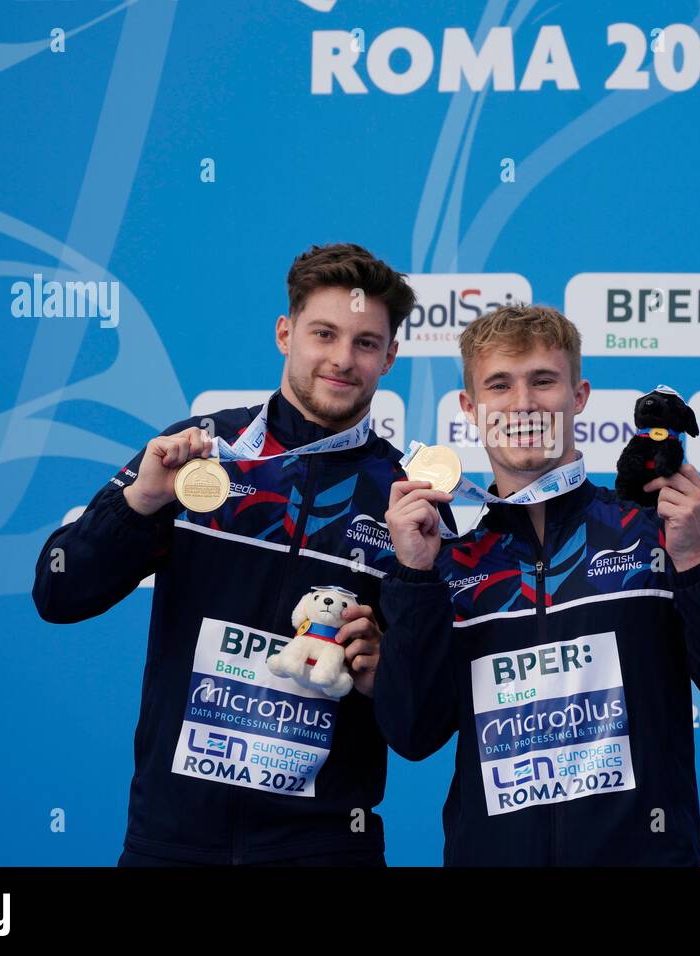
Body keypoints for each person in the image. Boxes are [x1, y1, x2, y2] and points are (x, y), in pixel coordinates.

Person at [33, 242, 453, 866]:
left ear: (390, 357)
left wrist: (385, 671)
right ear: (286, 334)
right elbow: (58, 592)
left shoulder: (409, 502)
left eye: (366, 343)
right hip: (172, 841)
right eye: (323, 333)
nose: (342, 359)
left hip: (325, 850)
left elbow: (419, 731)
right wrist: (140, 504)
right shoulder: (201, 452)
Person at [375, 304, 700, 865]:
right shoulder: (450, 566)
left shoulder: (652, 533)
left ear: (579, 396)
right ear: (470, 408)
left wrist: (694, 559)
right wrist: (415, 578)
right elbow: (413, 735)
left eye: (543, 380)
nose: (523, 404)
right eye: (499, 385)